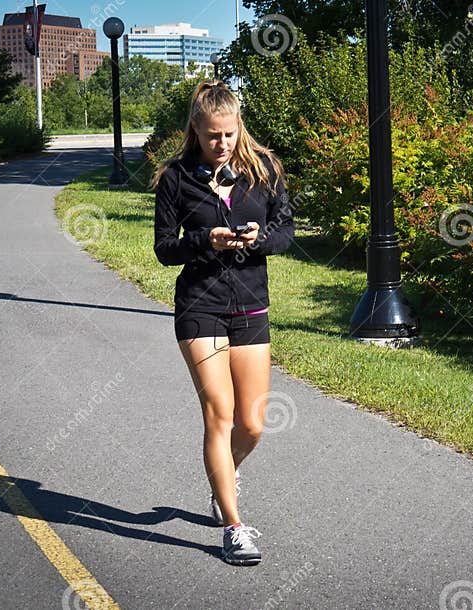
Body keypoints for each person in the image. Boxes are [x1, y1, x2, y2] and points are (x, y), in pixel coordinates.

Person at [150, 80, 294, 566]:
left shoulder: (264, 170)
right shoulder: (175, 178)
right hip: (200, 307)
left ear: (239, 126)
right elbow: (164, 248)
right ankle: (234, 527)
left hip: (251, 304)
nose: (223, 144)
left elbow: (286, 227)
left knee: (251, 426)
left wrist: (259, 238)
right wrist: (203, 241)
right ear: (196, 129)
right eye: (213, 135)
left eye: (230, 134)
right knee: (220, 412)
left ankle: (222, 479)